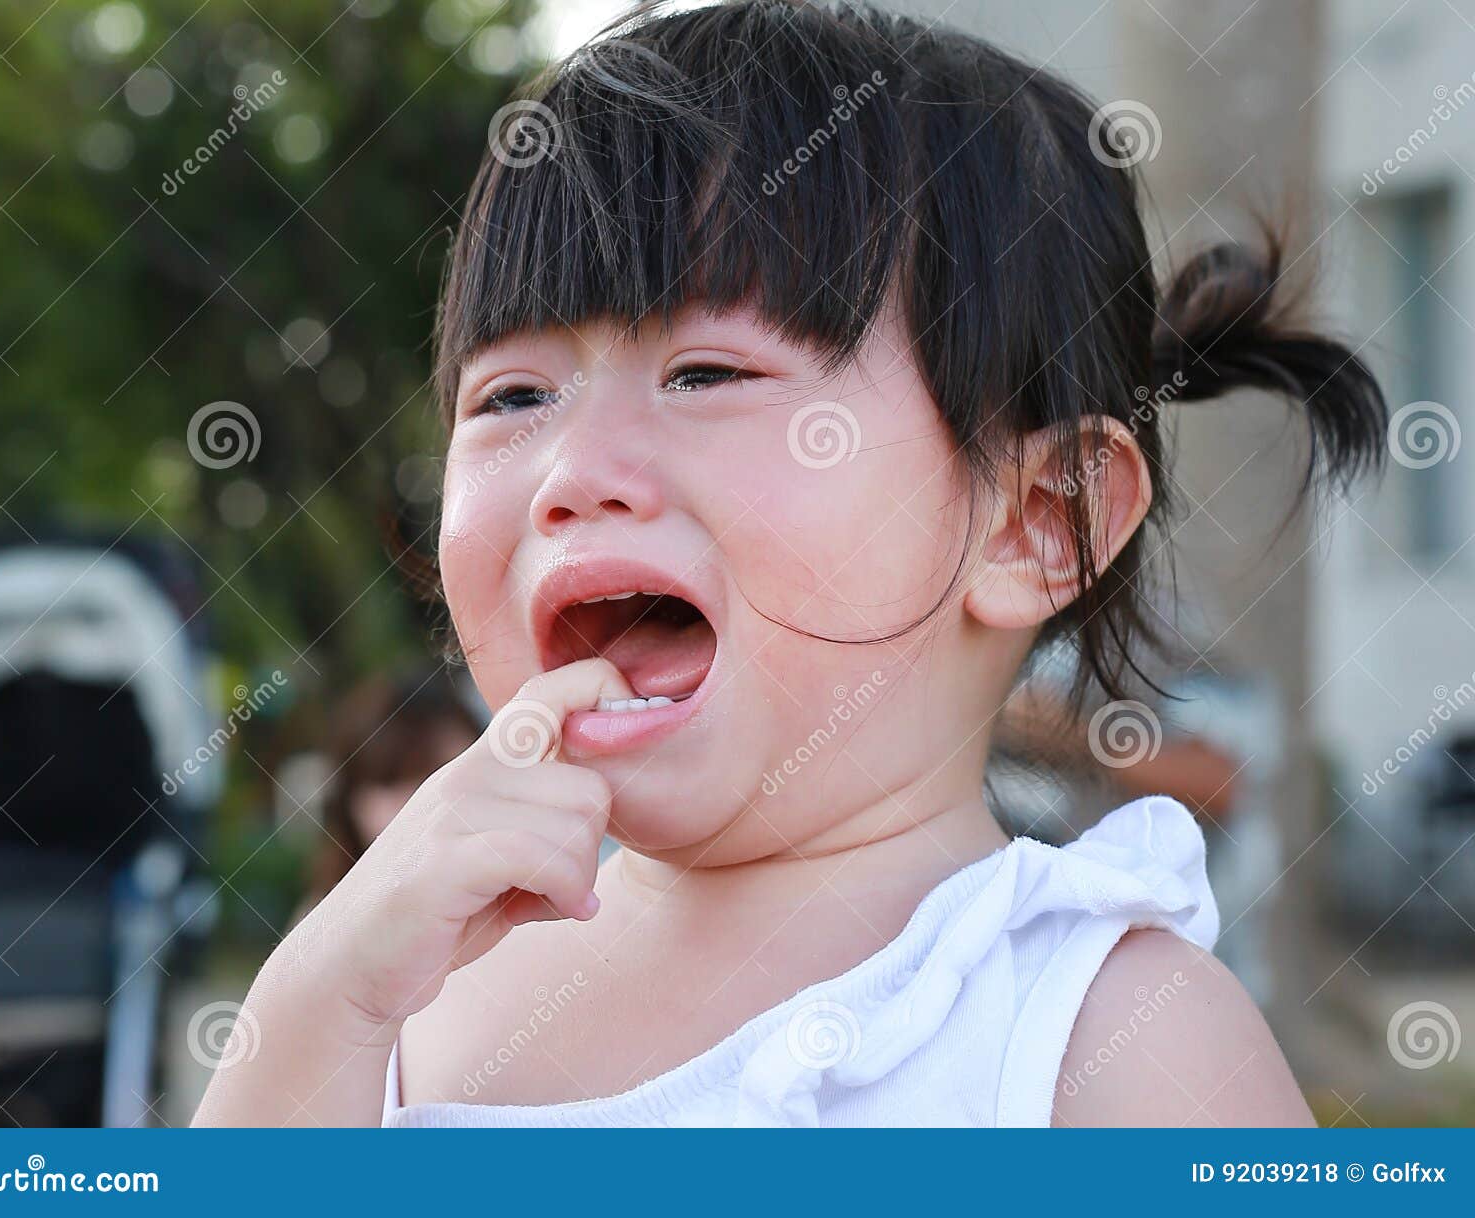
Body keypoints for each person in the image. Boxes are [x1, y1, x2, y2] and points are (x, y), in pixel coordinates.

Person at [195, 0, 1386, 1127]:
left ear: (1035, 521)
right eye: (512, 395)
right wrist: (317, 1000)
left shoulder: (1108, 1035)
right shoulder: (410, 1007)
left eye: (705, 375)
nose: (571, 471)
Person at [294, 668, 484, 923]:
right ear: (350, 801)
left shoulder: (533, 910)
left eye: (445, 776)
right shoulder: (319, 932)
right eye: (395, 782)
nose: (427, 806)